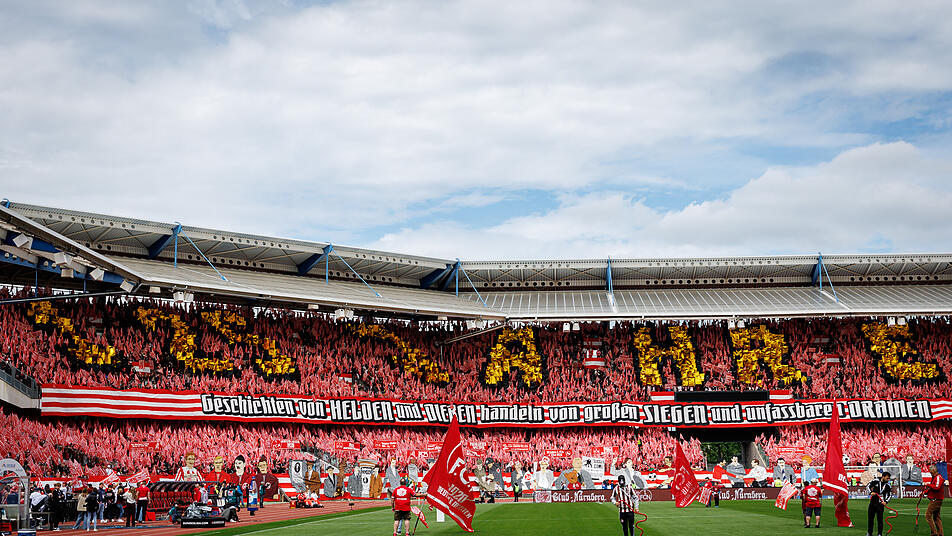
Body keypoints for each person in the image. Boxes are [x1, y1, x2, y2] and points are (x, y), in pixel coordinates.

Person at [866, 471, 892, 536]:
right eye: (887, 478)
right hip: (872, 503)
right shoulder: (876, 480)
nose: (888, 480)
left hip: (880, 505)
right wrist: (870, 492)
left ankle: (879, 534)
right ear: (883, 477)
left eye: (889, 478)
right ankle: (869, 533)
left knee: (880, 520)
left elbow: (890, 495)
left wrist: (886, 501)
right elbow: (868, 486)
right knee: (870, 519)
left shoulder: (888, 485)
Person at [925, 464, 945, 536]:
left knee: (928, 515)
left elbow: (936, 487)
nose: (930, 473)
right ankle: (940, 533)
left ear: (934, 470)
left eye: (930, 471)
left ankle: (934, 533)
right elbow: (933, 488)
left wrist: (928, 484)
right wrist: (926, 492)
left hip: (936, 500)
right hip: (937, 499)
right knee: (936, 517)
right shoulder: (935, 477)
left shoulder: (938, 477)